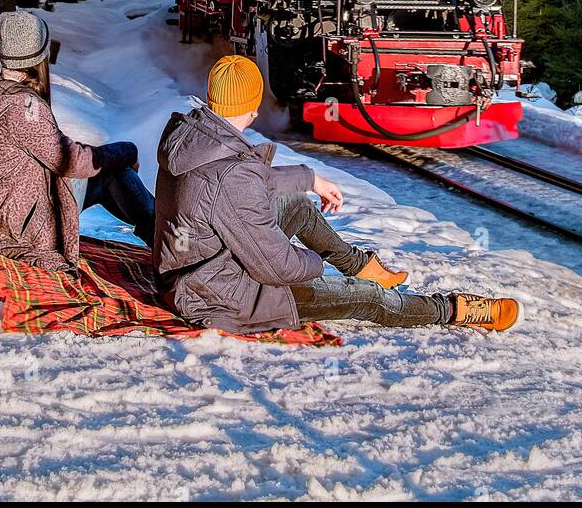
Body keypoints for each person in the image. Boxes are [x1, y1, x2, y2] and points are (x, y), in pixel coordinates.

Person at [153, 54, 523, 333]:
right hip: (221, 297)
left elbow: (240, 189)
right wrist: (318, 268)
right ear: (253, 105)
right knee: (367, 298)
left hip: (197, 270)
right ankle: (456, 310)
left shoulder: (197, 138)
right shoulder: (231, 172)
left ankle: (363, 266)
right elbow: (277, 266)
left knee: (296, 206)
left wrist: (309, 177)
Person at [0, 11, 155, 271]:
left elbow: (50, 150)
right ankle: (171, 243)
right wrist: (128, 151)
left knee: (107, 170)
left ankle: (162, 235)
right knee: (114, 174)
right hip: (11, 222)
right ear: (37, 54)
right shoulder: (23, 106)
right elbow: (72, 162)